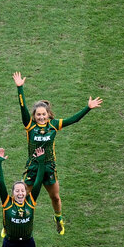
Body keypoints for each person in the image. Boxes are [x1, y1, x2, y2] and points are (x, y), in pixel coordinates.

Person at [13, 71, 102, 234]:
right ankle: (12, 223)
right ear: (34, 115)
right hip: (33, 166)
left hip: (48, 166)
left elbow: (73, 120)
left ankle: (58, 218)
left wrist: (87, 108)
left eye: (43, 114)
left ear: (48, 115)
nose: (41, 117)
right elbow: (22, 107)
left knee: (55, 197)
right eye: (38, 114)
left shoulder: (54, 125)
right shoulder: (29, 126)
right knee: (22, 196)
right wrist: (20, 88)